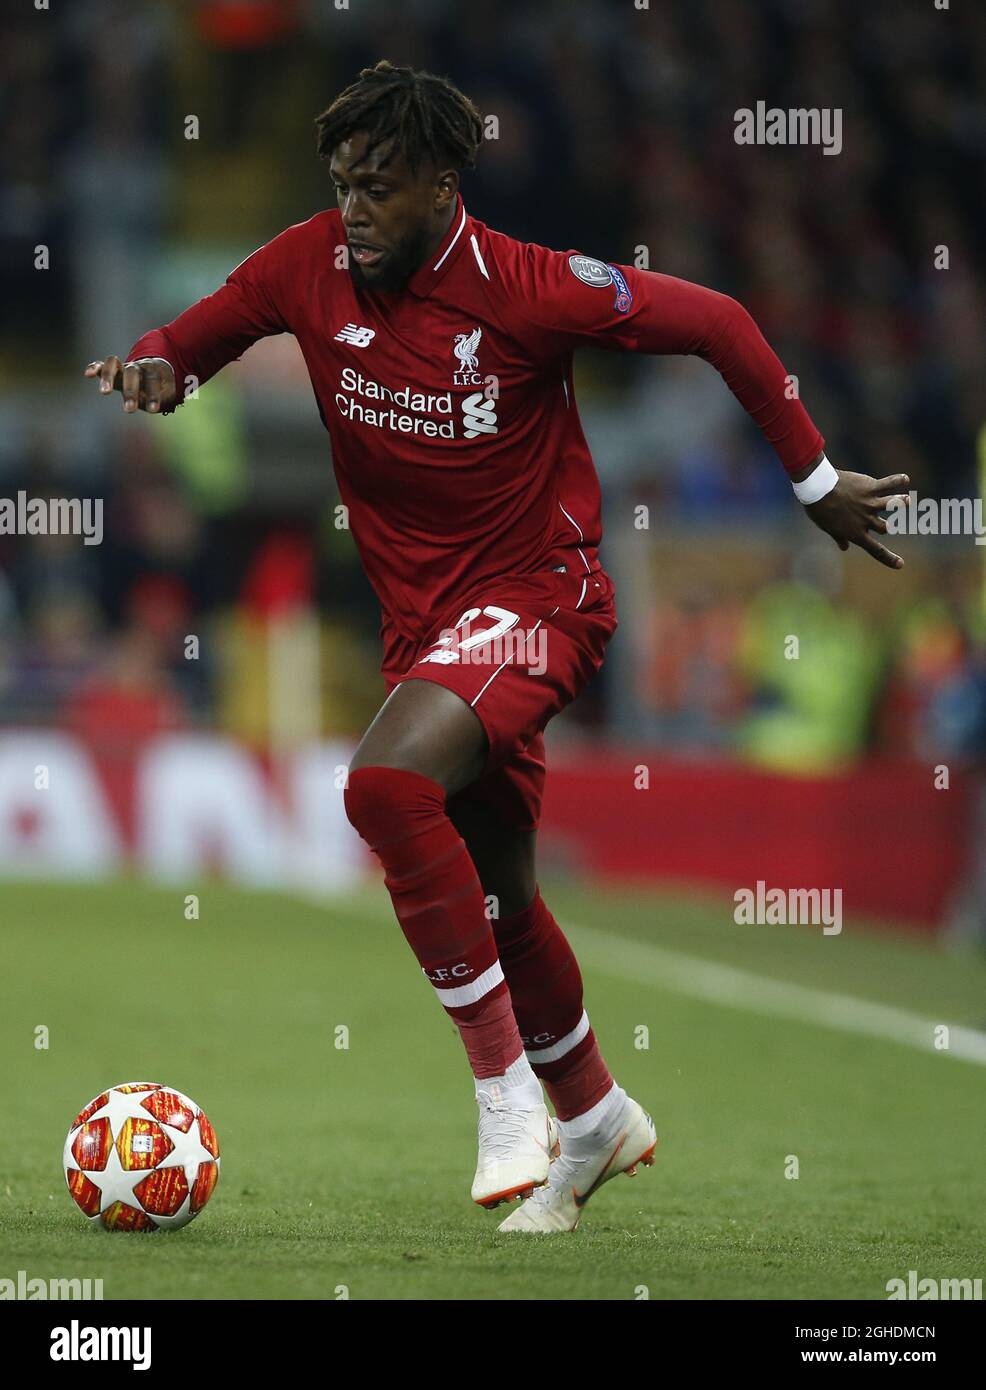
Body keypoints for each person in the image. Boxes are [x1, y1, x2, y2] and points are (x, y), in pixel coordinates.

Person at [85, 59, 909, 1233]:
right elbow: (193, 338)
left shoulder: (527, 287)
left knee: (380, 784)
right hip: (426, 627)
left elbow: (718, 322)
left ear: (439, 183)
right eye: (341, 183)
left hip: (541, 595)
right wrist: (155, 368)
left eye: (377, 185)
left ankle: (500, 1084)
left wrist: (814, 479)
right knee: (505, 895)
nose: (353, 209)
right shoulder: (307, 263)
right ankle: (591, 1114)